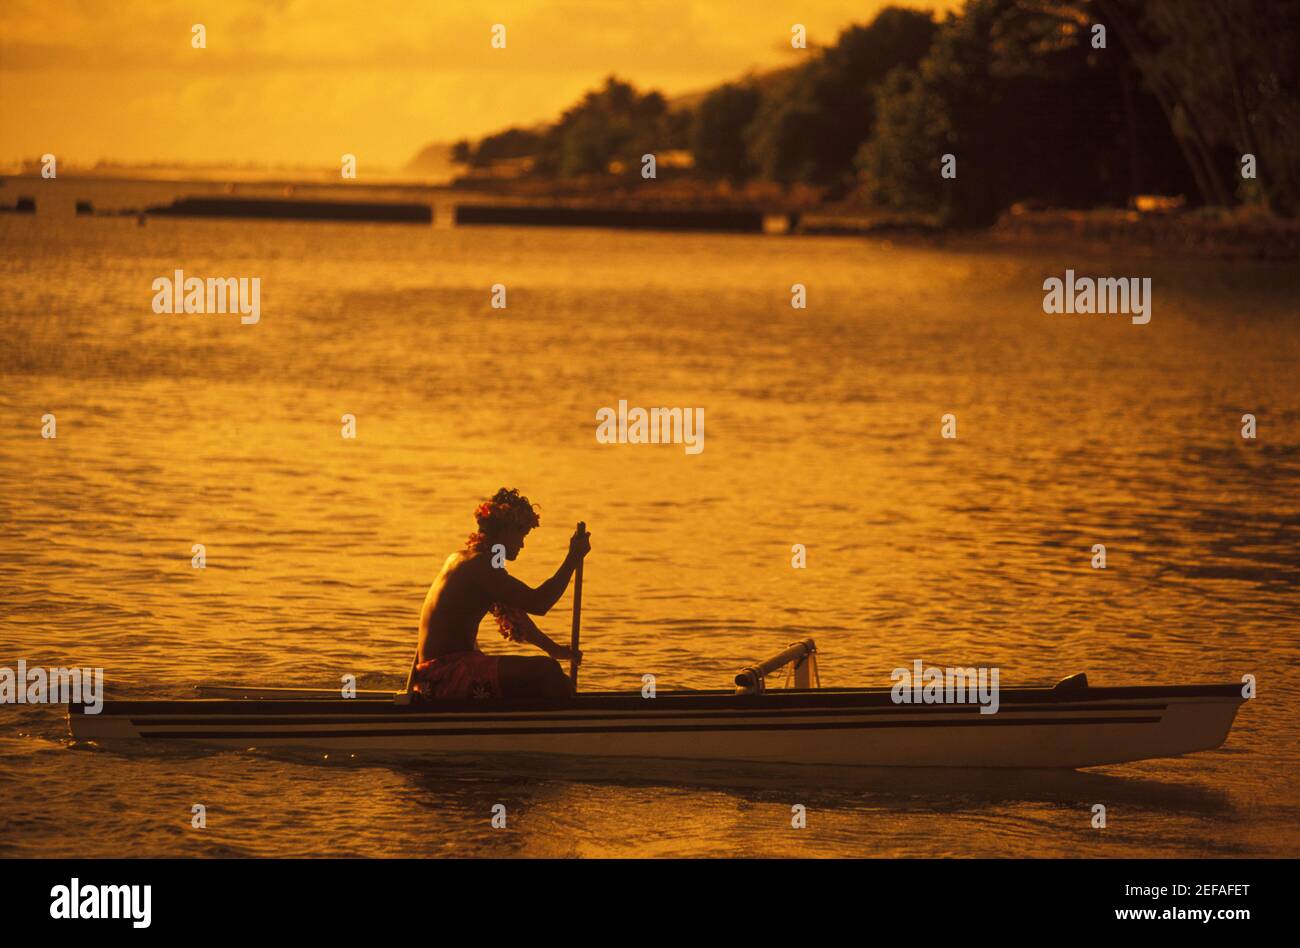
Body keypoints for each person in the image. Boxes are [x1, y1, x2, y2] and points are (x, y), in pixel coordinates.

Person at [406, 488, 589, 701]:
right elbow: (539, 603)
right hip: (442, 677)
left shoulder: (476, 561)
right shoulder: (480, 566)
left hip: (449, 670)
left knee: (555, 677)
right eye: (520, 534)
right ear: (503, 532)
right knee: (546, 672)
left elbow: (517, 620)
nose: (522, 544)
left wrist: (555, 650)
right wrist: (572, 559)